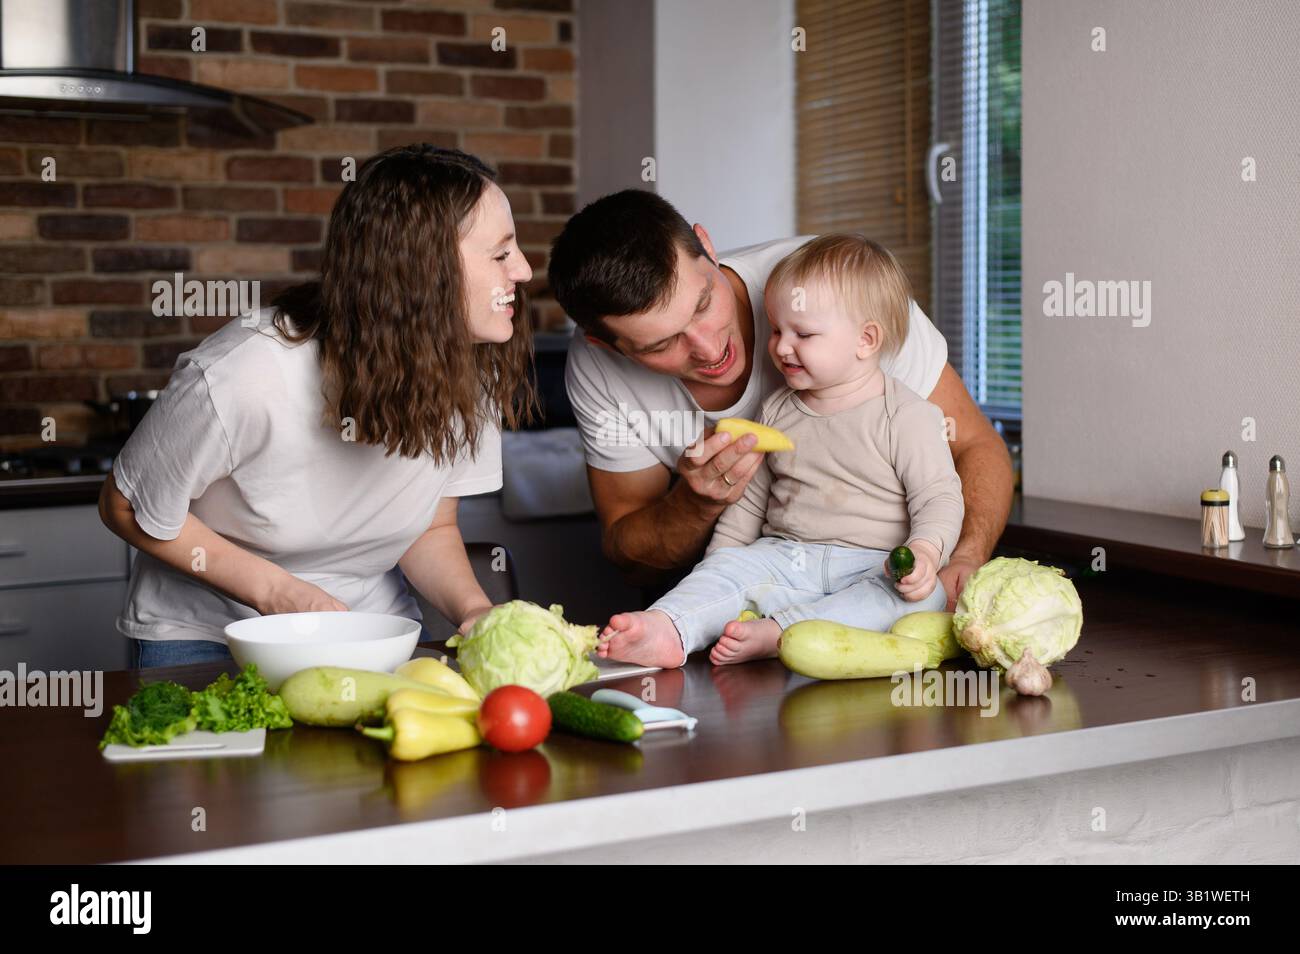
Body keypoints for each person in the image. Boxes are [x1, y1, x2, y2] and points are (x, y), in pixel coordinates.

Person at [98, 146, 536, 668]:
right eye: (501, 254)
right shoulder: (248, 372)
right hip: (212, 633)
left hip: (369, 628)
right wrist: (280, 594)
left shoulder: (470, 364)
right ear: (425, 268)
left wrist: (475, 611)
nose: (526, 271)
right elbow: (124, 505)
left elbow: (431, 527)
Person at [549, 190, 1012, 624]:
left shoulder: (833, 288)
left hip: (885, 576)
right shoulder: (597, 368)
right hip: (764, 583)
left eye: (704, 304)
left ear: (708, 248)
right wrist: (695, 505)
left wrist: (964, 557)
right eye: (663, 343)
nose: (709, 350)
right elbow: (631, 560)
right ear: (606, 346)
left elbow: (975, 445)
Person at [599, 234, 963, 668]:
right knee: (723, 576)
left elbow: (938, 495)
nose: (781, 347)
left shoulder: (908, 415)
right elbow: (751, 499)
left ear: (866, 340)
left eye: (803, 334)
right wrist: (721, 561)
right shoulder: (775, 409)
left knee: (925, 600)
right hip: (786, 557)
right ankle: (668, 627)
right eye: (775, 329)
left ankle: (781, 631)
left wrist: (925, 551)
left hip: (873, 566)